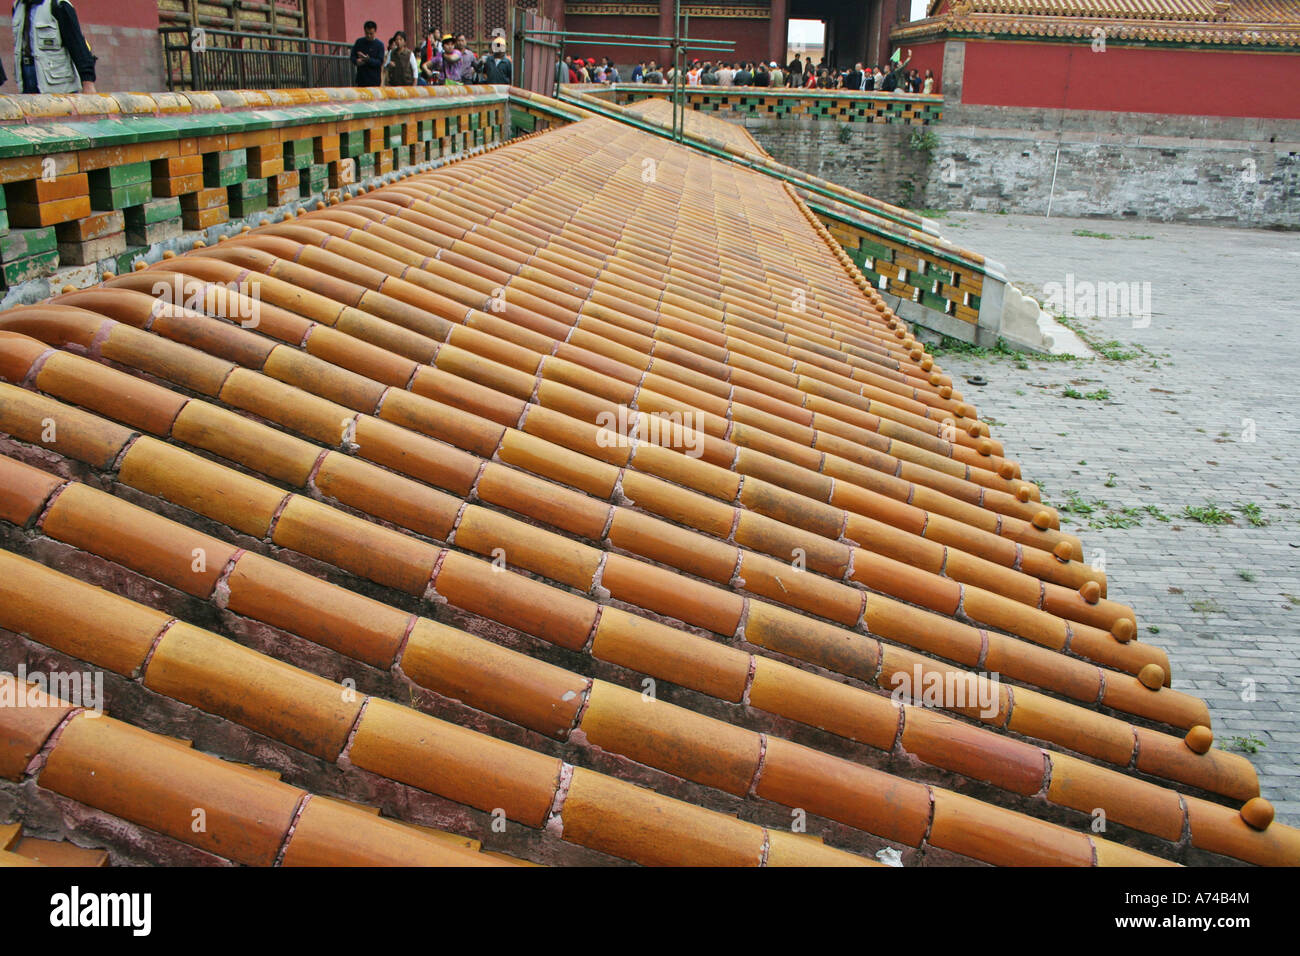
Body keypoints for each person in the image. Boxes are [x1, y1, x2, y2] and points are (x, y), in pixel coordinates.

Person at [12, 0, 95, 93]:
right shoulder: (17, 6)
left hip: (58, 84)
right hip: (27, 78)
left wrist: (88, 82)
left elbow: (78, 45)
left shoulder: (59, 5)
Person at [350, 20, 384, 86]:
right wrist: (356, 61)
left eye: (371, 34)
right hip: (361, 78)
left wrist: (368, 60)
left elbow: (379, 62)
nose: (368, 35)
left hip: (374, 80)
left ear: (375, 32)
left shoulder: (379, 45)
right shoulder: (359, 42)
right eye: (366, 33)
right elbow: (352, 56)